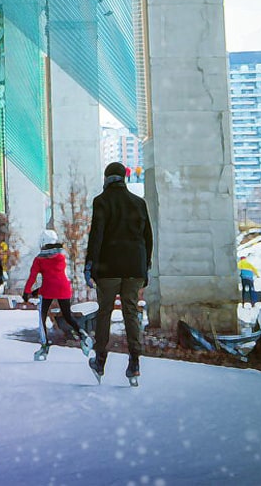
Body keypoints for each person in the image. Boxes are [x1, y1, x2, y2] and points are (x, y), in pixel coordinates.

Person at [84, 162, 153, 385]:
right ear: (124, 178)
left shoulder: (101, 201)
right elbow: (148, 238)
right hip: (134, 268)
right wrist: (145, 267)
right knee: (130, 313)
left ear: (106, 178)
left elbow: (97, 235)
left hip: (108, 268)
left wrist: (90, 265)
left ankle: (100, 361)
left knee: (104, 312)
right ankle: (134, 363)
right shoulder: (139, 203)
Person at [22, 230, 93, 359]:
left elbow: (33, 277)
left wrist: (27, 292)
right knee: (67, 316)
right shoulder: (61, 256)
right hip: (64, 288)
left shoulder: (39, 259)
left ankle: (44, 346)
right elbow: (55, 276)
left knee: (42, 318)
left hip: (48, 290)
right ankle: (83, 335)